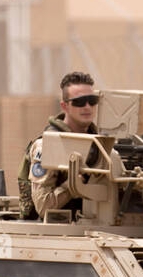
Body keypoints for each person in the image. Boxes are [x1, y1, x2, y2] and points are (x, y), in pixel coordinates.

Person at [17, 71, 99, 220]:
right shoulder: (47, 146)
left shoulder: (99, 144)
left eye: (92, 100)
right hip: (57, 229)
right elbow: (43, 206)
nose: (87, 107)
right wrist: (72, 186)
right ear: (64, 106)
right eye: (79, 102)